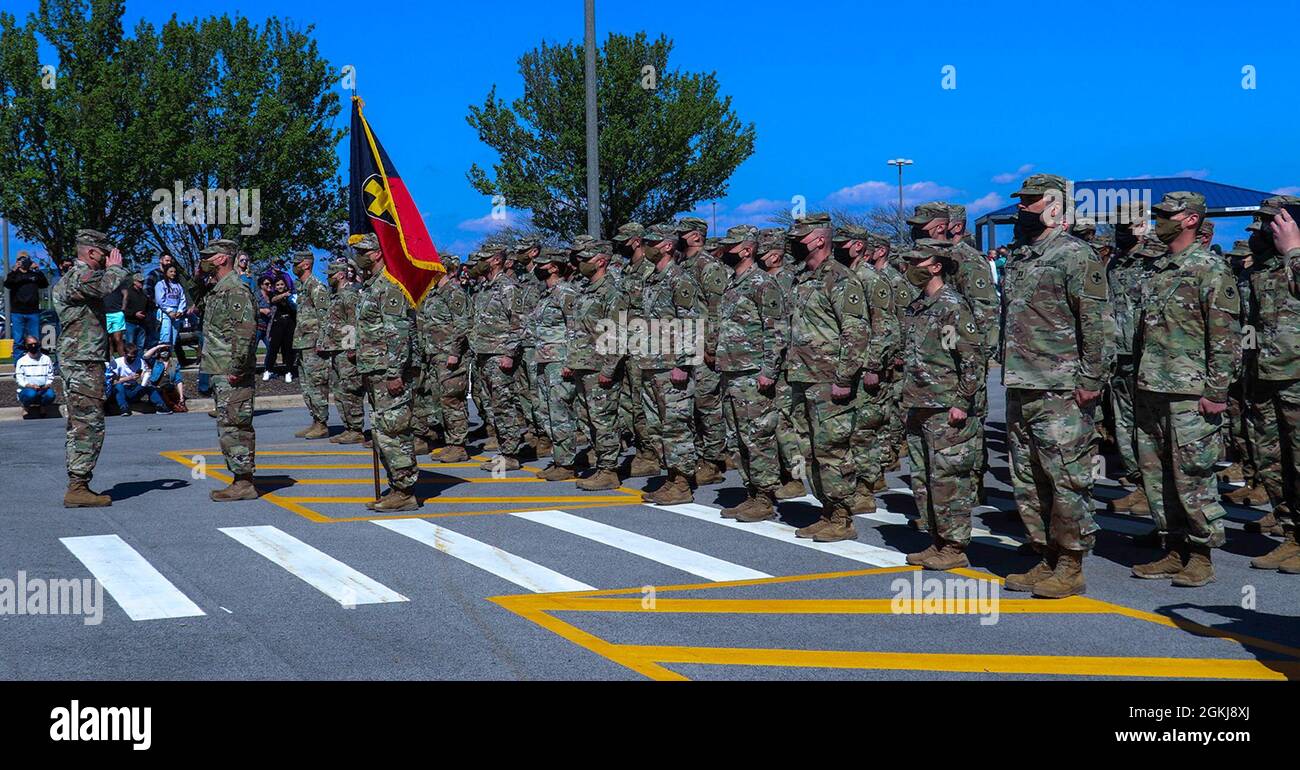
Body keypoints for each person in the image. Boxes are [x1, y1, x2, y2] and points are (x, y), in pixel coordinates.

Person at [1000, 173, 1111, 599]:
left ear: (1054, 206)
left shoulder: (1076, 256)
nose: (1021, 209)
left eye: (1030, 202)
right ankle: (1043, 553)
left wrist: (1091, 379)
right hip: (1021, 382)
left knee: (1066, 476)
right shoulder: (1023, 256)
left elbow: (1097, 324)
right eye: (1021, 201)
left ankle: (1070, 562)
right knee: (1028, 477)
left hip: (1061, 387)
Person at [1129, 192, 1241, 587]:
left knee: (1192, 475)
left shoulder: (1209, 269)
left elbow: (1225, 337)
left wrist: (1217, 390)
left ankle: (1201, 555)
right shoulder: (1159, 269)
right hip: (1152, 387)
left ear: (1191, 220)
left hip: (1191, 393)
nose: (1158, 219)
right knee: (1157, 475)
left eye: (1166, 214)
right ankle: (1172, 547)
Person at [782, 213, 871, 542]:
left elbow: (856, 331)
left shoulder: (840, 278)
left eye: (800, 237)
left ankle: (843, 516)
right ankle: (827, 508)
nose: (794, 242)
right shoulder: (802, 277)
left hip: (828, 379)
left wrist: (845, 377)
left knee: (832, 448)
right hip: (802, 377)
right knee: (809, 448)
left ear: (819, 239)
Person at [900, 240, 987, 569]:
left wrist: (962, 401)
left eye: (917, 261)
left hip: (945, 404)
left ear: (936, 266)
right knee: (923, 477)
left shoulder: (951, 306)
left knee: (948, 478)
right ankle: (936, 539)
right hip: (919, 402)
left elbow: (970, 358)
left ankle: (954, 546)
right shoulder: (919, 305)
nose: (910, 266)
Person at [713, 225, 787, 522]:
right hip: (731, 370)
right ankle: (752, 492)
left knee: (758, 436)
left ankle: (765, 496)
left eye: (731, 246)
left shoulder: (763, 284)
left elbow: (777, 330)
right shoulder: (734, 283)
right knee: (737, 437)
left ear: (747, 250)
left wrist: (769, 370)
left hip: (753, 372)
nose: (725, 251)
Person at [1242, 198, 1300, 574]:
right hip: (1263, 376)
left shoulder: (1294, 260)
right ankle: (1291, 534)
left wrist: (1293, 251)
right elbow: (1250, 324)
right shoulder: (1259, 271)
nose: (1264, 230)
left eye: (1271, 222)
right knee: (1272, 461)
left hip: (1296, 378)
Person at [53, 229, 129, 507]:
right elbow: (105, 286)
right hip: (82, 361)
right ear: (92, 252)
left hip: (84, 360)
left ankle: (79, 483)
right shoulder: (79, 277)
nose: (109, 259)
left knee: (83, 422)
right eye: (105, 254)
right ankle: (78, 486)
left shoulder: (81, 278)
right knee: (88, 424)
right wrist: (117, 268)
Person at [353, 232, 420, 511]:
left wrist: (394, 372)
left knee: (394, 429)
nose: (357, 257)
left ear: (378, 253)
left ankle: (405, 490)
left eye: (363, 251)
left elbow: (398, 335)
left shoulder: (389, 287)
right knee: (382, 429)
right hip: (375, 370)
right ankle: (396, 485)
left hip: (388, 371)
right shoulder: (370, 286)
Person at [198, 238, 259, 501]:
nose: (204, 261)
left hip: (231, 370)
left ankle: (244, 482)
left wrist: (237, 367)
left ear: (222, 258)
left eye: (209, 257)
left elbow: (245, 332)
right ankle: (239, 479)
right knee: (228, 426)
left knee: (236, 426)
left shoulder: (235, 289)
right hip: (221, 368)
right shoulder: (218, 289)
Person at [566, 240, 629, 491]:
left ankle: (609, 470)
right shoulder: (585, 290)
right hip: (583, 364)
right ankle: (600, 464)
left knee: (603, 420)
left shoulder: (611, 292)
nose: (580, 263)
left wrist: (609, 367)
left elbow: (618, 333)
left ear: (601, 261)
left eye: (586, 258)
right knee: (588, 418)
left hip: (600, 367)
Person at [676, 217, 731, 486]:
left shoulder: (708, 265)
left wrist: (711, 345)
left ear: (697, 236)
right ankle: (700, 456)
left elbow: (716, 307)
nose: (678, 237)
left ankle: (713, 460)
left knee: (707, 404)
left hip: (703, 345)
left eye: (683, 233)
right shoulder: (682, 265)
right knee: (690, 405)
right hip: (685, 344)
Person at [470, 241, 529, 471]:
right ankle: (504, 449)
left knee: (504, 405)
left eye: (484, 258)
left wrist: (509, 353)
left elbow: (518, 323)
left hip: (499, 354)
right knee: (495, 405)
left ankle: (510, 454)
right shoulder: (486, 288)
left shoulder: (508, 287)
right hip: (484, 354)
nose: (479, 263)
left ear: (496, 260)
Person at [414, 255, 471, 462]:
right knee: (440, 400)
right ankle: (450, 441)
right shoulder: (434, 294)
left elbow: (462, 324)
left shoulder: (454, 292)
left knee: (452, 399)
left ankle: (459, 446)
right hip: (434, 355)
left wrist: (455, 353)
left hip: (449, 356)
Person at [531, 248, 581, 479]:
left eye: (541, 264)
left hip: (560, 361)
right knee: (546, 411)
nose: (536, 268)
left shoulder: (566, 292)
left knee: (561, 412)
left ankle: (567, 463)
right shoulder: (547, 294)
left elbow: (575, 328)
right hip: (544, 359)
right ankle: (559, 458)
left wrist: (571, 360)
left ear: (553, 267)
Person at [319, 260, 366, 445]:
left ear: (340, 275)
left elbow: (352, 322)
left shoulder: (349, 295)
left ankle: (356, 429)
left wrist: (351, 347)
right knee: (339, 391)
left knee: (350, 390)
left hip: (345, 351)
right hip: (335, 349)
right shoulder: (336, 296)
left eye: (331, 275)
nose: (328, 278)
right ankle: (348, 427)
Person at [290, 249, 332, 438]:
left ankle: (322, 424)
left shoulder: (316, 287)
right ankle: (315, 420)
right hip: (303, 343)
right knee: (307, 387)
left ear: (306, 264)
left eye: (297, 263)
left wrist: (322, 342)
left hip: (314, 345)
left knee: (317, 385)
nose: (294, 266)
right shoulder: (302, 287)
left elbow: (325, 317)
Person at [5, 251, 49, 364]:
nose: (23, 262)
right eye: (21, 259)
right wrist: (14, 270)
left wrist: (37, 269)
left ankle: (36, 363)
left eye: (25, 259)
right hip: (17, 312)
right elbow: (8, 284)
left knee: (35, 339)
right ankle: (18, 366)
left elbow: (44, 284)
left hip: (33, 312)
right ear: (17, 261)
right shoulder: (15, 275)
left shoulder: (34, 274)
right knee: (18, 341)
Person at [108, 342, 169, 415]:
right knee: (119, 386)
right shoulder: (116, 363)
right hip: (121, 390)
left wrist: (146, 376)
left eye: (134, 357)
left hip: (133, 388)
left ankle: (161, 406)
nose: (133, 359)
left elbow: (143, 374)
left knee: (149, 387)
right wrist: (129, 378)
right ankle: (124, 408)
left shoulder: (139, 361)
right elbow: (113, 382)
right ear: (124, 354)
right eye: (130, 357)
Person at [262, 276, 296, 381]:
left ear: (285, 285)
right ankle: (268, 370)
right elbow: (273, 300)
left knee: (288, 349)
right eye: (277, 285)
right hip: (277, 323)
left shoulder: (291, 294)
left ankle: (288, 371)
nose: (280, 286)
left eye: (281, 284)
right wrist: (284, 295)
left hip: (290, 323)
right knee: (273, 348)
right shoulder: (273, 294)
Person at [14, 335, 56, 418]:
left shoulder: (46, 359)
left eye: (35, 344)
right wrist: (30, 385)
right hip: (28, 388)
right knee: (30, 394)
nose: (33, 346)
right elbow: (19, 379)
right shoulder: (21, 361)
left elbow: (50, 375)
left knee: (51, 395)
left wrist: (48, 384)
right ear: (26, 346)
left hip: (43, 388)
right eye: (30, 344)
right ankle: (26, 406)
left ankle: (42, 406)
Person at [153, 262, 188, 346]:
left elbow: (182, 299)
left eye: (174, 272)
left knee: (174, 335)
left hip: (176, 312)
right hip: (165, 312)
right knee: (165, 334)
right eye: (171, 271)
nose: (173, 273)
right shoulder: (160, 284)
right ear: (166, 272)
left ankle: (170, 354)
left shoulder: (178, 286)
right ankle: (163, 355)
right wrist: (169, 311)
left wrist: (180, 310)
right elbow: (159, 300)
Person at [146, 343, 186, 412]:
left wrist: (181, 396)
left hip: (169, 388)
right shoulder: (155, 362)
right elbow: (145, 356)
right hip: (157, 387)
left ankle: (175, 405)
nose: (164, 352)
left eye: (166, 351)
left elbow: (179, 381)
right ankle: (170, 407)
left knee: (170, 388)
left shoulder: (174, 364)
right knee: (160, 392)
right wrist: (158, 347)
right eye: (162, 351)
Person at [122, 273, 150, 353]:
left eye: (143, 282)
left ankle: (139, 362)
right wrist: (134, 314)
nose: (142, 283)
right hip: (130, 323)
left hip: (142, 323)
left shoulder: (144, 294)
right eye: (140, 282)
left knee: (141, 346)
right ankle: (129, 363)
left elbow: (147, 307)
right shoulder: (128, 293)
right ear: (134, 282)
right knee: (130, 345)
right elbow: (124, 309)